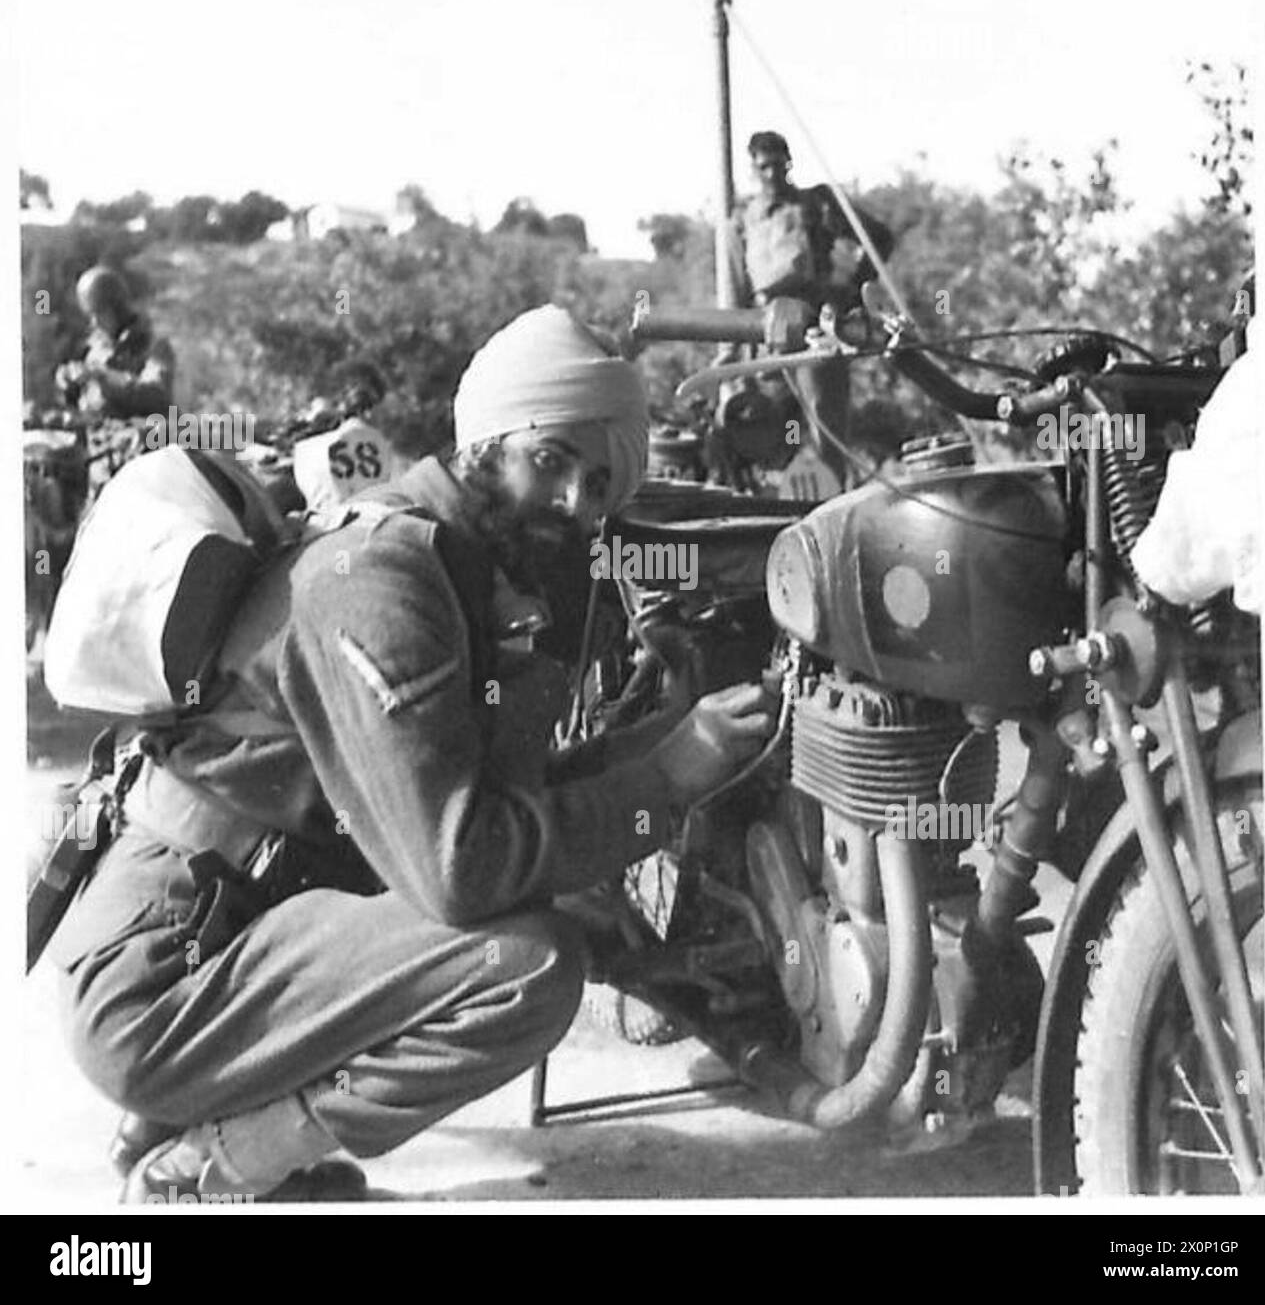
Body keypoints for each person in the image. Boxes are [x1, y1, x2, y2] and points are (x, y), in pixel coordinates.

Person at [51, 304, 777, 1202]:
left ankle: (203, 1113)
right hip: (165, 986)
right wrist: (663, 781)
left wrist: (662, 740)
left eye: (598, 486)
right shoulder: (384, 577)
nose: (573, 504)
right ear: (485, 441)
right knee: (527, 968)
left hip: (238, 934)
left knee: (541, 916)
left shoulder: (457, 567)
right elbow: (461, 865)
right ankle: (208, 1168)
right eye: (551, 460)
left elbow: (481, 794)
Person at [725, 130, 894, 488]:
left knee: (825, 434)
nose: (772, 174)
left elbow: (879, 238)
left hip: (816, 328)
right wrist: (732, 357)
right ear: (754, 170)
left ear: (789, 163)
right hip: (765, 333)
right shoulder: (741, 220)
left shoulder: (817, 203)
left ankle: (830, 510)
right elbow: (736, 290)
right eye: (763, 167)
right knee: (762, 435)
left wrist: (850, 292)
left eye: (778, 165)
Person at [56, 265, 176, 421]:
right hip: (104, 435)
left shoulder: (154, 344)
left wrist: (103, 377)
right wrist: (70, 382)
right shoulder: (96, 349)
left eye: (99, 313)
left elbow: (157, 394)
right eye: (90, 315)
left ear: (118, 308)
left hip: (150, 437)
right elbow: (89, 406)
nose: (94, 322)